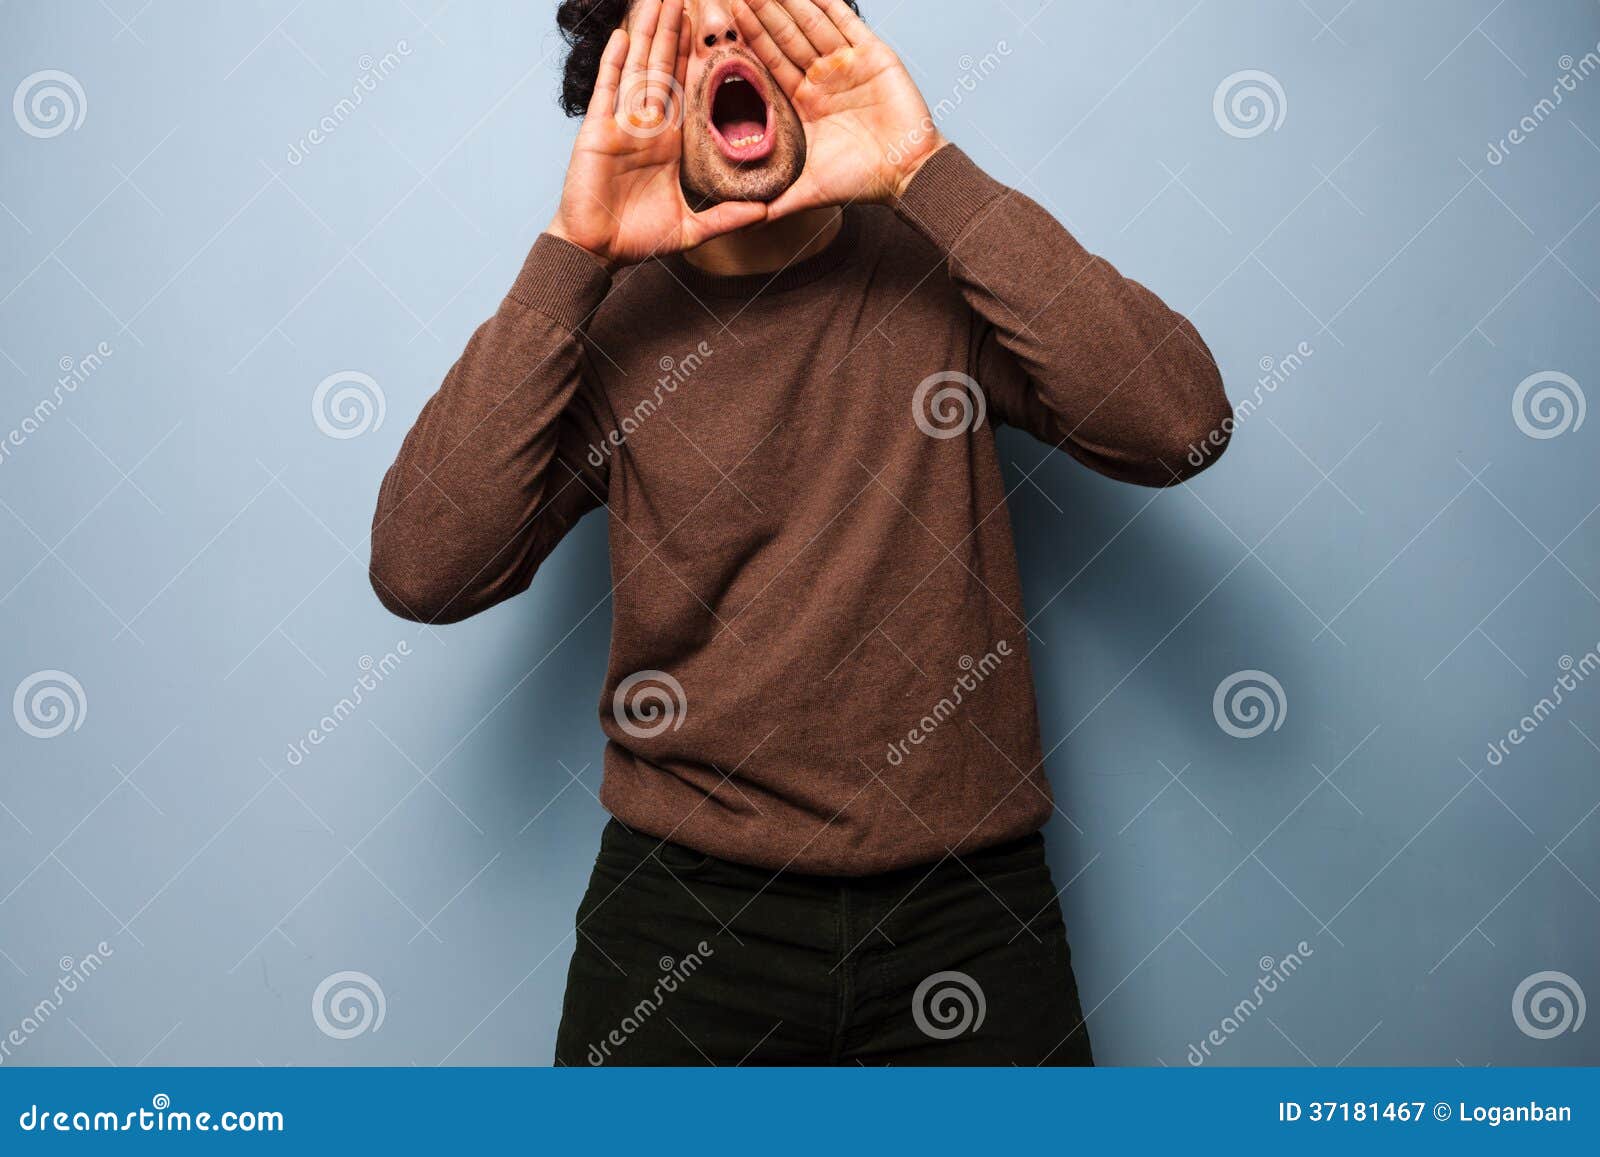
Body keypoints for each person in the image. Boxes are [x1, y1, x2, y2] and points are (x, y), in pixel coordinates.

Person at [369, 0, 1231, 1065]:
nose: (726, 39)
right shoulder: (608, 325)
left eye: (757, 15)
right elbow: (421, 569)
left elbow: (1181, 428)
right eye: (685, 32)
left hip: (969, 911)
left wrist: (927, 170)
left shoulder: (941, 263)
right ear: (625, 88)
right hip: (684, 920)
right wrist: (572, 256)